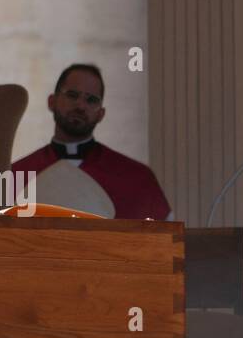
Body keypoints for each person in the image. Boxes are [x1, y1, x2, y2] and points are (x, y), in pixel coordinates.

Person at [10, 63, 171, 220]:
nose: (80, 105)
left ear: (101, 114)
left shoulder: (137, 178)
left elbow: (164, 241)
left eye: (91, 100)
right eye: (72, 95)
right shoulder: (15, 176)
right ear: (52, 102)